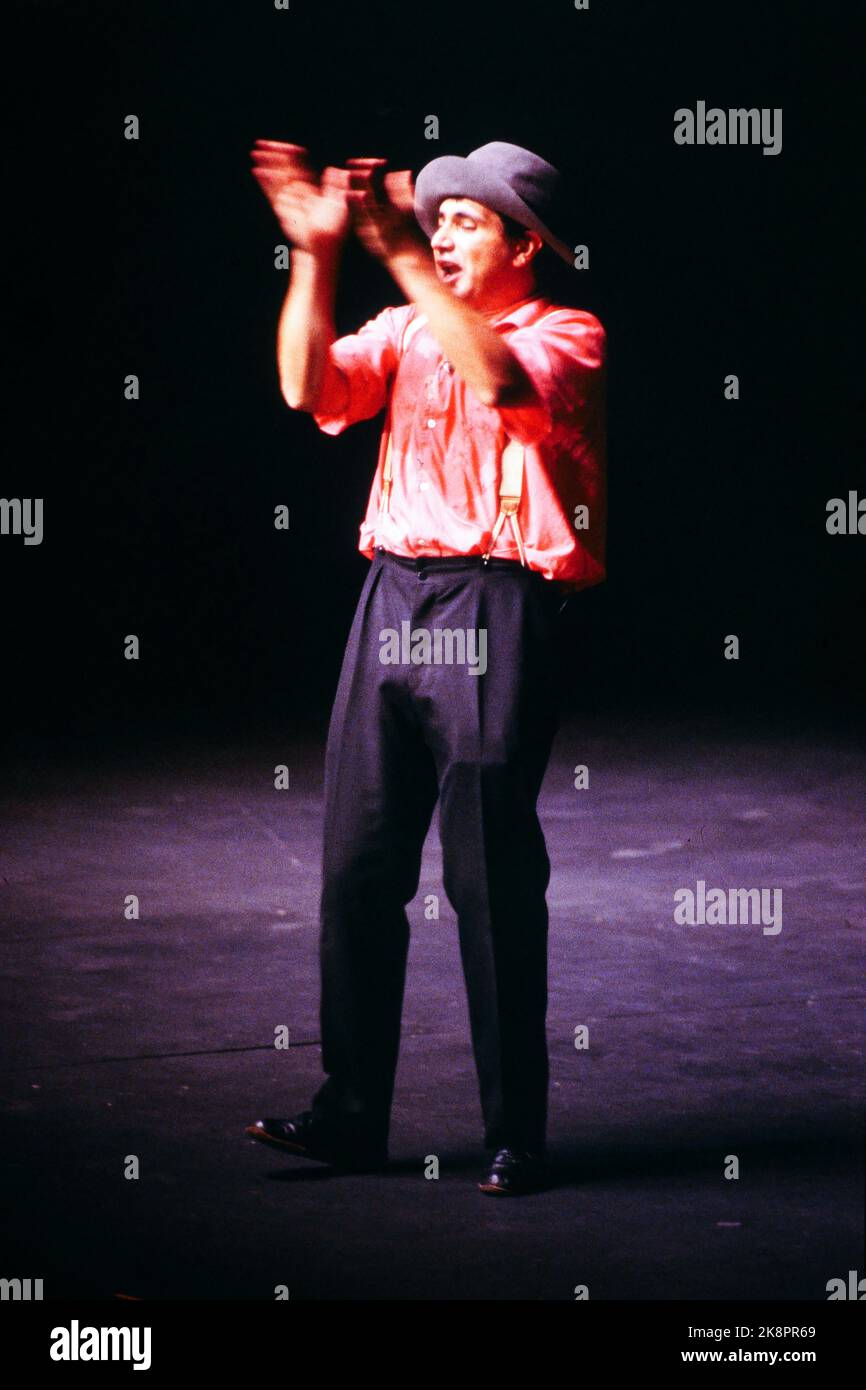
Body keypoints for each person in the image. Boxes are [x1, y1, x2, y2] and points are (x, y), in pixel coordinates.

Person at [245, 140, 606, 1195]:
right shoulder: (405, 327)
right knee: (356, 867)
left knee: (487, 877)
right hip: (392, 594)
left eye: (465, 222)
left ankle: (514, 1133)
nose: (442, 236)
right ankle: (349, 1112)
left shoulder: (566, 333)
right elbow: (304, 386)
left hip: (498, 603)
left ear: (524, 244)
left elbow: (498, 382)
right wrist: (315, 258)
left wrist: (398, 252)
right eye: (433, 220)